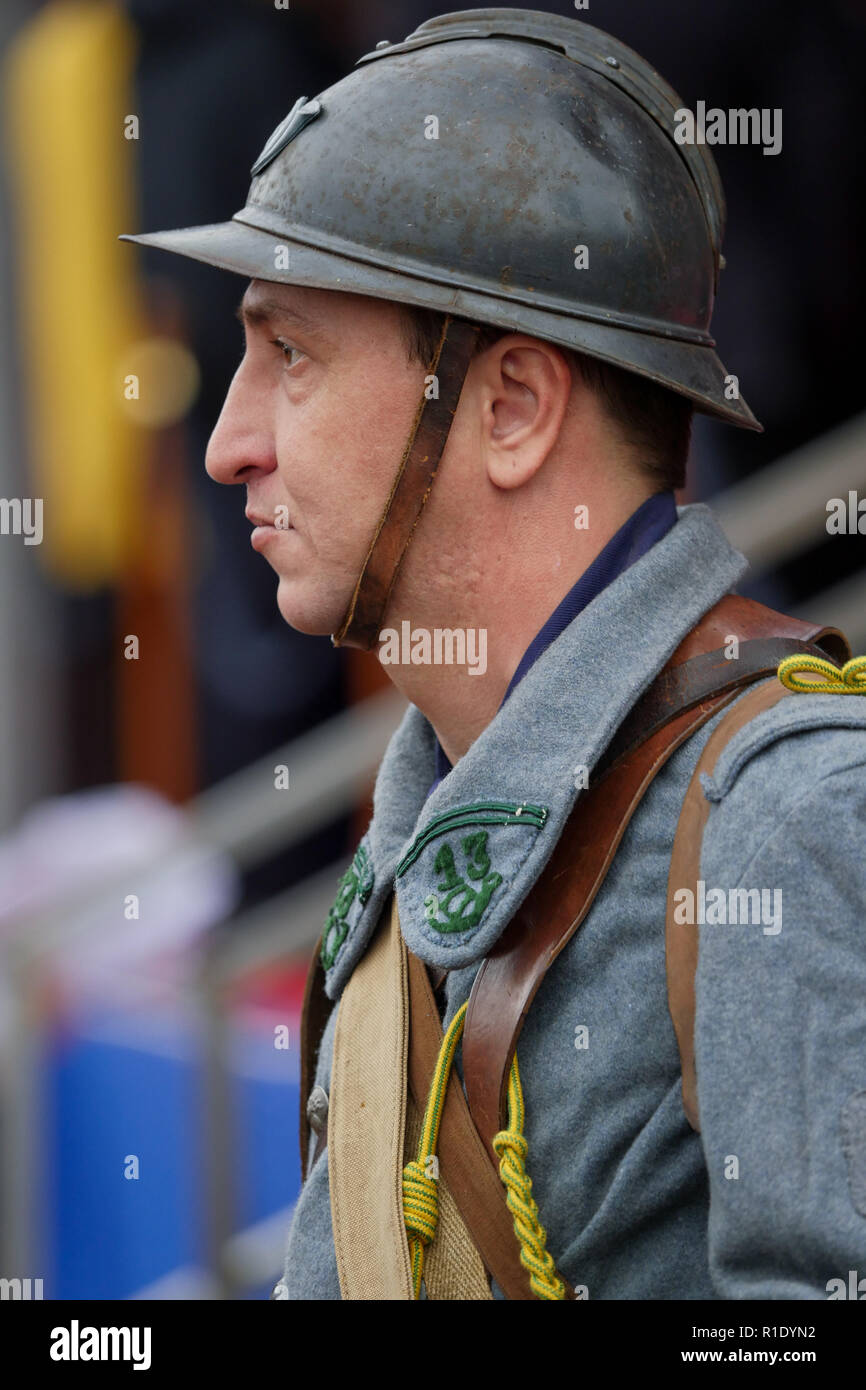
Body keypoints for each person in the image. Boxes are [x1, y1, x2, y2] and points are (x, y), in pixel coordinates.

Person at [121, 10, 866, 1300]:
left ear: (512, 409)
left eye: (289, 354)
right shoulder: (416, 841)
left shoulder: (793, 817)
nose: (225, 443)